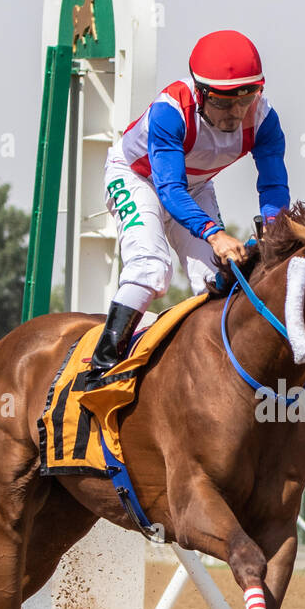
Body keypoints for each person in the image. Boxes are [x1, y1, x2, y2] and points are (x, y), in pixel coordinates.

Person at [88, 29, 290, 377]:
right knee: (151, 268)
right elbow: (168, 191)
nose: (235, 113)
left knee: (218, 279)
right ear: (200, 93)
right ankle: (101, 368)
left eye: (246, 99)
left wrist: (273, 228)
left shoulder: (264, 120)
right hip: (139, 178)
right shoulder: (171, 111)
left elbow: (273, 187)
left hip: (194, 187)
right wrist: (214, 234)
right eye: (224, 102)